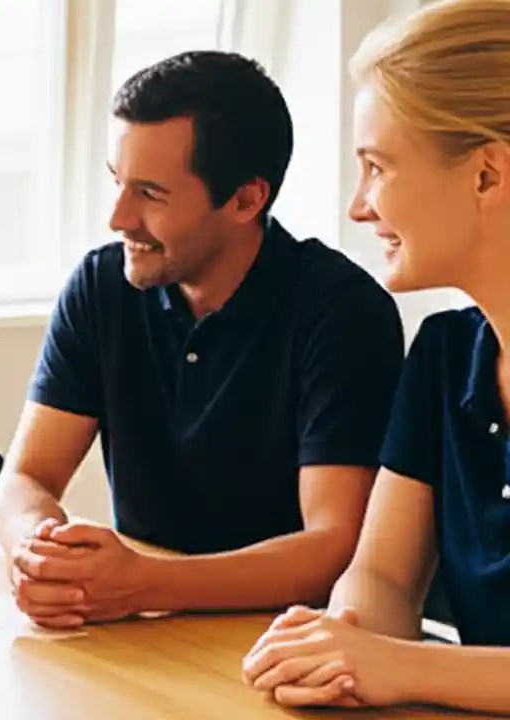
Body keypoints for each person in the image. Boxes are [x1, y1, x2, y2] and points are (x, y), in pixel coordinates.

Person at [0, 50, 405, 629]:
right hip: (137, 632)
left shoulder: (344, 312)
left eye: (150, 194)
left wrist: (143, 583)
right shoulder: (100, 286)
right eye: (117, 182)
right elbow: (25, 477)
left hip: (278, 639)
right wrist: (37, 552)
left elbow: (333, 545)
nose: (118, 217)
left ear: (246, 200)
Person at [241, 1, 510, 713]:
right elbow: (385, 575)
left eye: (377, 168)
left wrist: (400, 665)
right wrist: (341, 642)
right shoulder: (445, 355)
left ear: (487, 175)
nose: (359, 207)